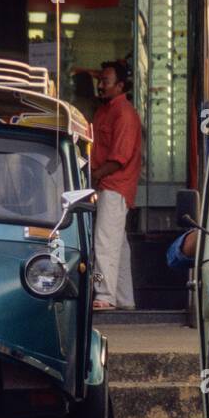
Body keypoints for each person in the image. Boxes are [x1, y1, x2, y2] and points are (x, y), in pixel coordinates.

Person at [90, 60, 143, 309]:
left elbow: (118, 158)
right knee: (117, 245)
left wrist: (95, 175)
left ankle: (104, 295)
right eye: (100, 81)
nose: (101, 85)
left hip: (113, 184)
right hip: (107, 184)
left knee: (104, 243)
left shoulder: (124, 113)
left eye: (105, 82)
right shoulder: (105, 110)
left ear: (120, 85)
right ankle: (123, 298)